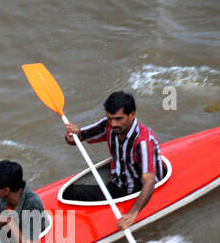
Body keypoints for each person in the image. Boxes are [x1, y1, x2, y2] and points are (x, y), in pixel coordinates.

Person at [62, 91, 164, 229]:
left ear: (132, 114)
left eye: (118, 119)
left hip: (137, 192)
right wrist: (72, 135)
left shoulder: (143, 142)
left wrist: (132, 214)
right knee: (72, 193)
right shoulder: (109, 125)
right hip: (117, 186)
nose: (113, 123)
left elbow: (150, 182)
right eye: (110, 118)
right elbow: (79, 138)